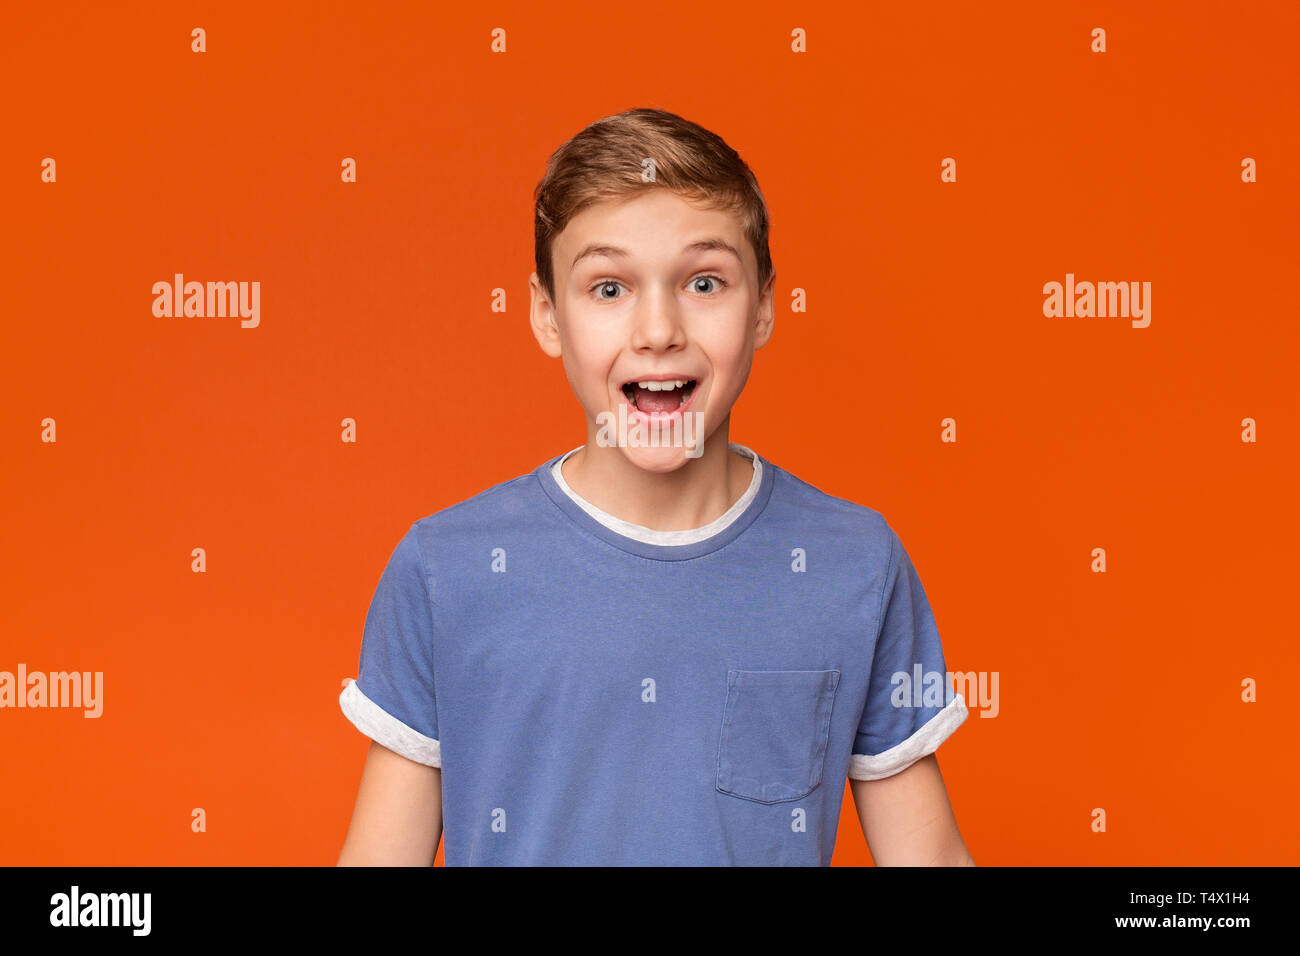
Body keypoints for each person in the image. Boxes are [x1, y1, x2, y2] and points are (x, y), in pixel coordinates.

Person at [336, 107, 974, 866]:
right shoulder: (447, 570)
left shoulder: (855, 565)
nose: (659, 328)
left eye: (704, 281)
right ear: (547, 316)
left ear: (764, 304)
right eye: (609, 288)